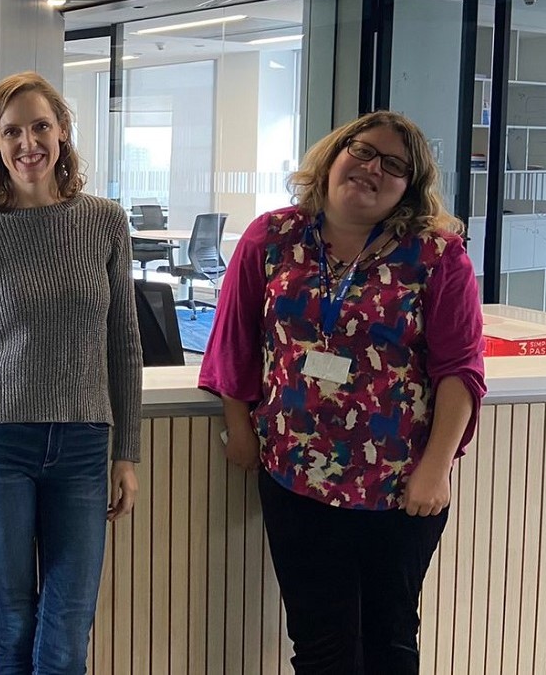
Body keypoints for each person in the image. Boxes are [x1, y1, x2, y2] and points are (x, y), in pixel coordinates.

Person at [198, 111, 486, 674]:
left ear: (410, 187)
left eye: (394, 165)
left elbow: (460, 371)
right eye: (362, 150)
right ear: (334, 155)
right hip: (295, 475)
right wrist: (238, 425)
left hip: (401, 485)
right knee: (321, 645)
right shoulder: (272, 236)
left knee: (390, 641)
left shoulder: (437, 256)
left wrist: (437, 468)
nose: (372, 168)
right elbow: (233, 340)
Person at [0, 71, 143, 674]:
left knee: (70, 619)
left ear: (63, 132)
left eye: (42, 126)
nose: (30, 143)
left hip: (81, 445)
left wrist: (126, 452)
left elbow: (124, 344)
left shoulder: (104, 221)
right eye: (13, 131)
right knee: (16, 615)